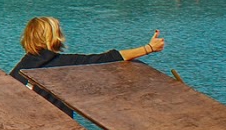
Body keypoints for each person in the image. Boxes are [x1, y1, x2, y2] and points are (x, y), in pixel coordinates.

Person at [9, 16, 164, 83]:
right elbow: (109, 58)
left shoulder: (18, 70)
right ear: (53, 37)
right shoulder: (64, 63)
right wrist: (149, 48)